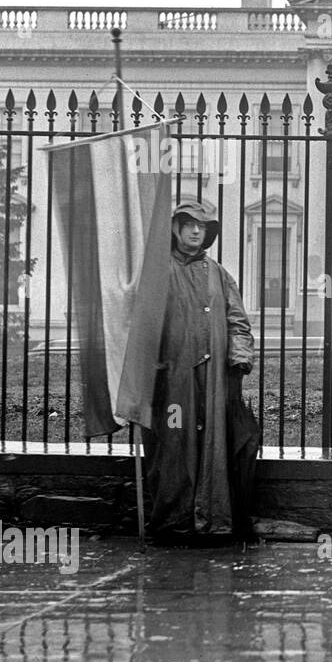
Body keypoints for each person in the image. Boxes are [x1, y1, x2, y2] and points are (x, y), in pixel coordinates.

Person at [143, 198, 255, 542]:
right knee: (173, 444)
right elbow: (142, 326)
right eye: (189, 224)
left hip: (216, 381)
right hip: (172, 379)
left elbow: (238, 321)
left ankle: (214, 522)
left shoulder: (219, 273)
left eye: (202, 226)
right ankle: (173, 523)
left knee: (216, 446)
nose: (195, 231)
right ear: (175, 228)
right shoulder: (158, 271)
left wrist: (239, 359)